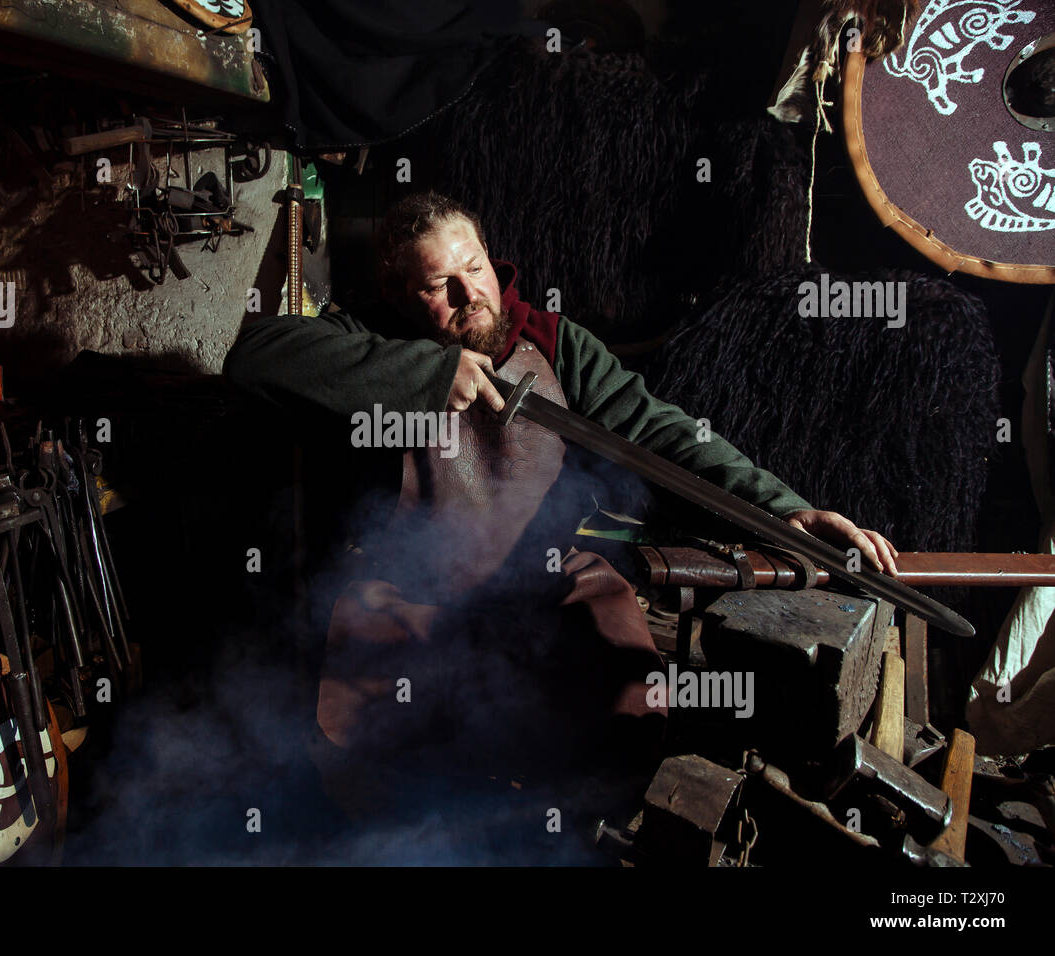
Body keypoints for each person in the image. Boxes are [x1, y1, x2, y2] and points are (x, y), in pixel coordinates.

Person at [224, 190, 898, 849]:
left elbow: (665, 437)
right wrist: (425, 374)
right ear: (401, 295)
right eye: (440, 285)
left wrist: (782, 510)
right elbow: (251, 359)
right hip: (408, 594)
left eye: (475, 268)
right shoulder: (369, 338)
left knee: (625, 713)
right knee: (378, 776)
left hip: (539, 581)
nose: (470, 295)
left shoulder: (551, 341)